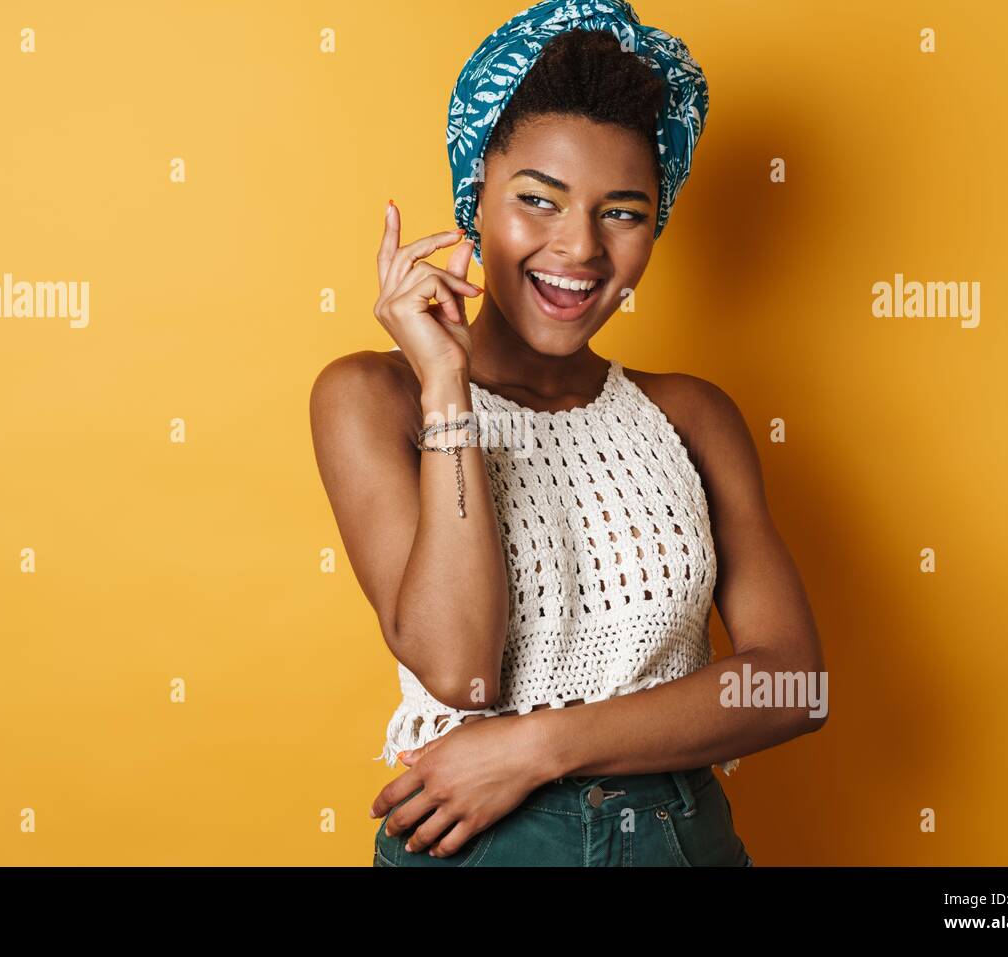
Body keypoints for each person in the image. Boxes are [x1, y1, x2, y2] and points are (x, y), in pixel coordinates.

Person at [309, 0, 825, 867]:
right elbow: (461, 669)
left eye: (622, 211)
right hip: (480, 846)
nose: (578, 247)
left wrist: (532, 747)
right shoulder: (373, 394)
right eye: (538, 200)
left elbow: (792, 682)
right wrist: (447, 389)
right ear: (476, 197)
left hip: (676, 838)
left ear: (655, 223)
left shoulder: (692, 416)